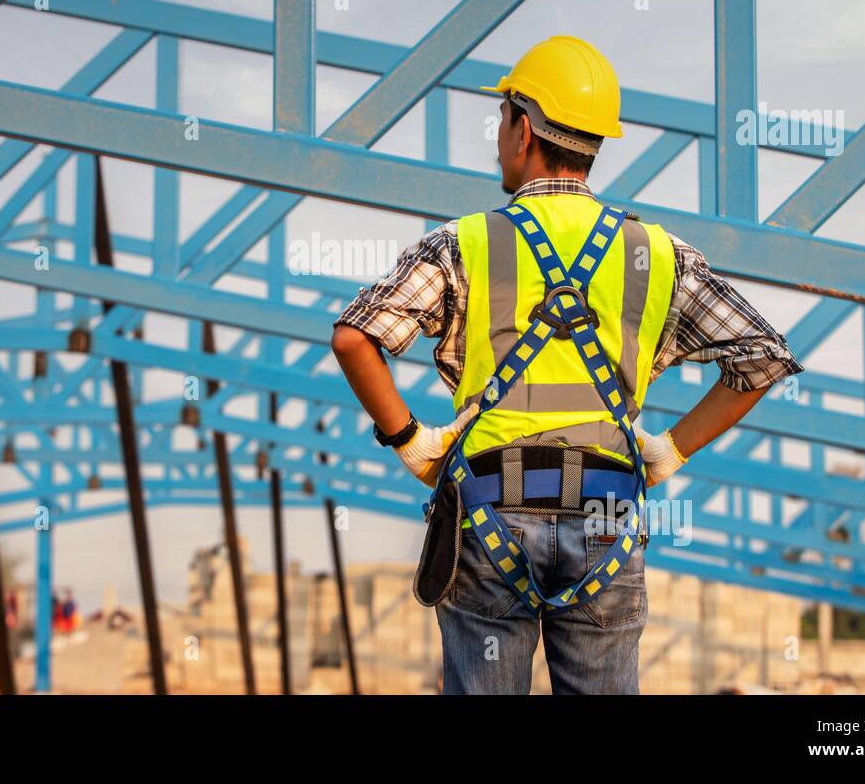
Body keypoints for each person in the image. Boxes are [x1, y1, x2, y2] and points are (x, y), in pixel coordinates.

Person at [331, 36, 802, 694]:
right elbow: (763, 357)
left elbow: (357, 338)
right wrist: (670, 451)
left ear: (523, 128)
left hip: (490, 505)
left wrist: (410, 442)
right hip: (607, 510)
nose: (499, 136)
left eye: (502, 119)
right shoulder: (656, 252)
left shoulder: (465, 242)